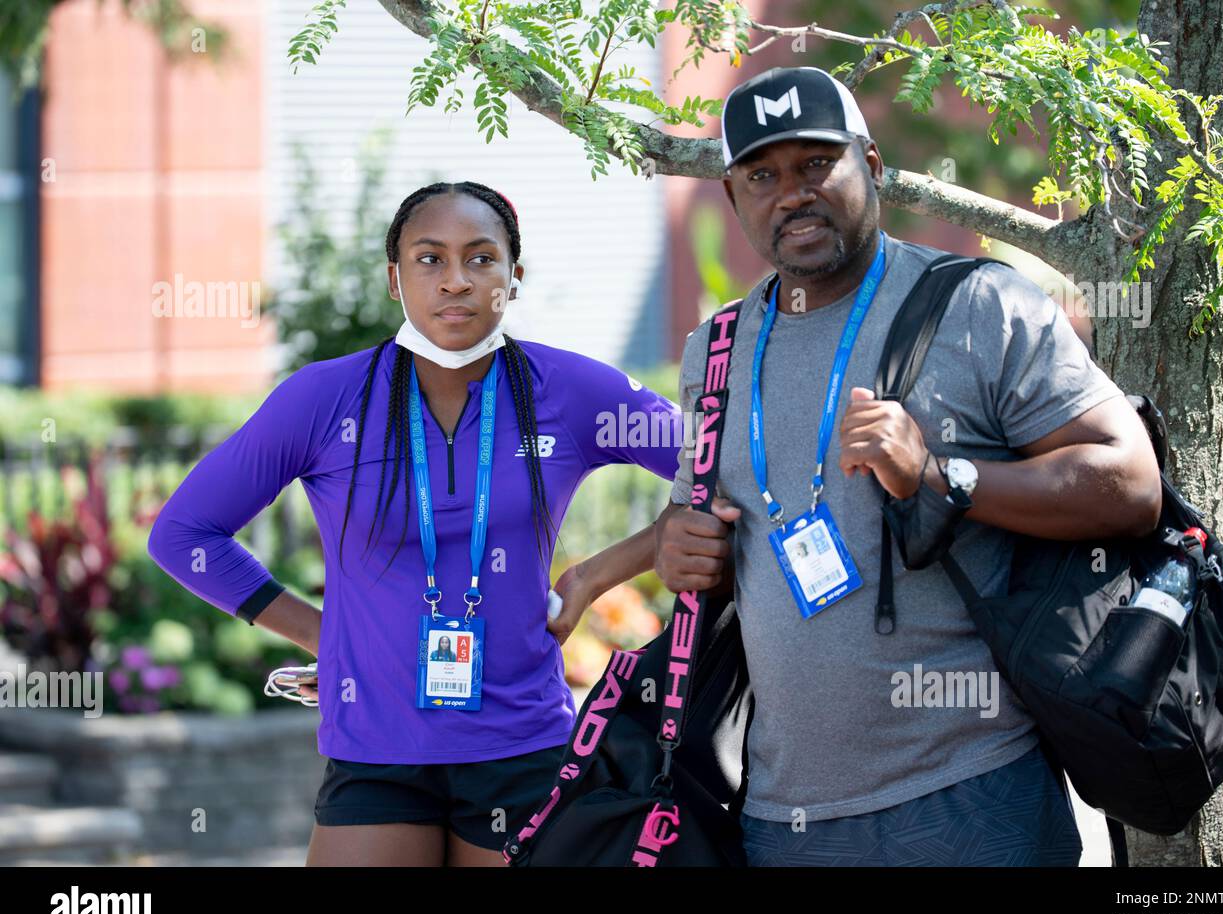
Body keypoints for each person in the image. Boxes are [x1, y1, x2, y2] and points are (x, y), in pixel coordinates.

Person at [653, 66, 1163, 866]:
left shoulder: (981, 303)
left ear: (873, 167)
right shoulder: (712, 351)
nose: (793, 194)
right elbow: (712, 533)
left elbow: (1131, 485)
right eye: (764, 175)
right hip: (786, 817)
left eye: (817, 164)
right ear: (732, 194)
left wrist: (941, 474)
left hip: (974, 790)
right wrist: (682, 553)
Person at [148, 181, 682, 866]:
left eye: (481, 258)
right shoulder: (324, 397)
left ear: (514, 278)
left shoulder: (571, 390)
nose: (456, 281)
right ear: (395, 279)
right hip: (375, 752)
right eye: (429, 259)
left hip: (521, 748)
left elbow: (717, 466)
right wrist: (324, 634)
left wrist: (596, 575)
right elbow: (184, 533)